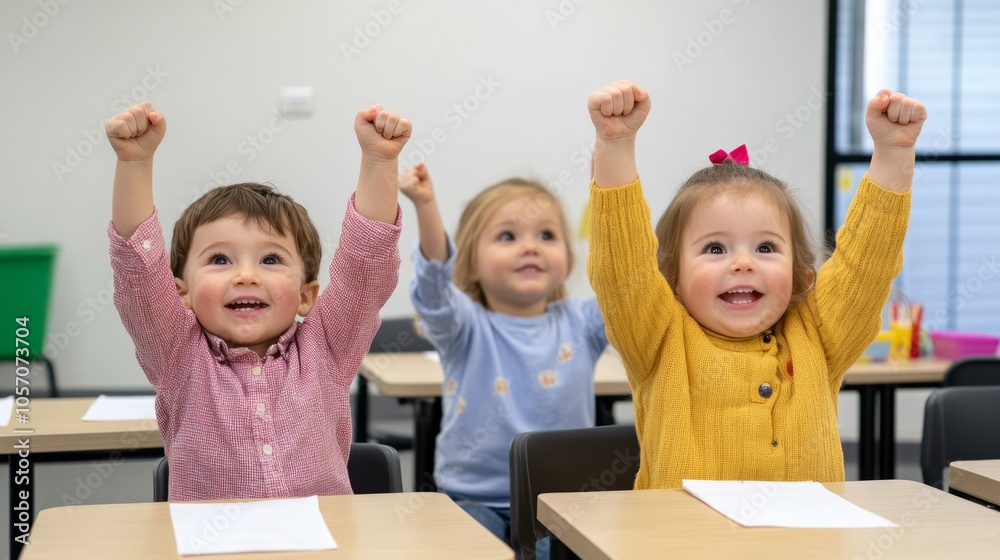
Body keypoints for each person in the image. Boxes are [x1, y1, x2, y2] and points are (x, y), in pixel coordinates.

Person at [586, 80, 926, 489]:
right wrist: (615, 144)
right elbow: (621, 266)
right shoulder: (657, 336)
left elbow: (864, 265)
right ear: (670, 280)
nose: (743, 264)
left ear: (803, 276)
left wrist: (893, 153)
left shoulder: (818, 334)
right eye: (715, 249)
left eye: (766, 247)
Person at [105, 101, 411, 500]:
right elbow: (139, 270)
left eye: (270, 259)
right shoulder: (176, 353)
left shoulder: (328, 348)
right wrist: (134, 162)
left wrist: (378, 159)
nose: (245, 275)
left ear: (306, 297)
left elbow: (365, 267)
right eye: (219, 259)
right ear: (180, 292)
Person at [400, 163, 607, 556]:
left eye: (547, 235)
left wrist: (610, 181)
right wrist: (426, 206)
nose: (530, 246)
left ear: (567, 255)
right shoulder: (463, 325)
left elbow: (626, 279)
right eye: (508, 236)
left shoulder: (585, 321)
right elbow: (432, 284)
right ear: (471, 263)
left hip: (562, 505)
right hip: (472, 499)